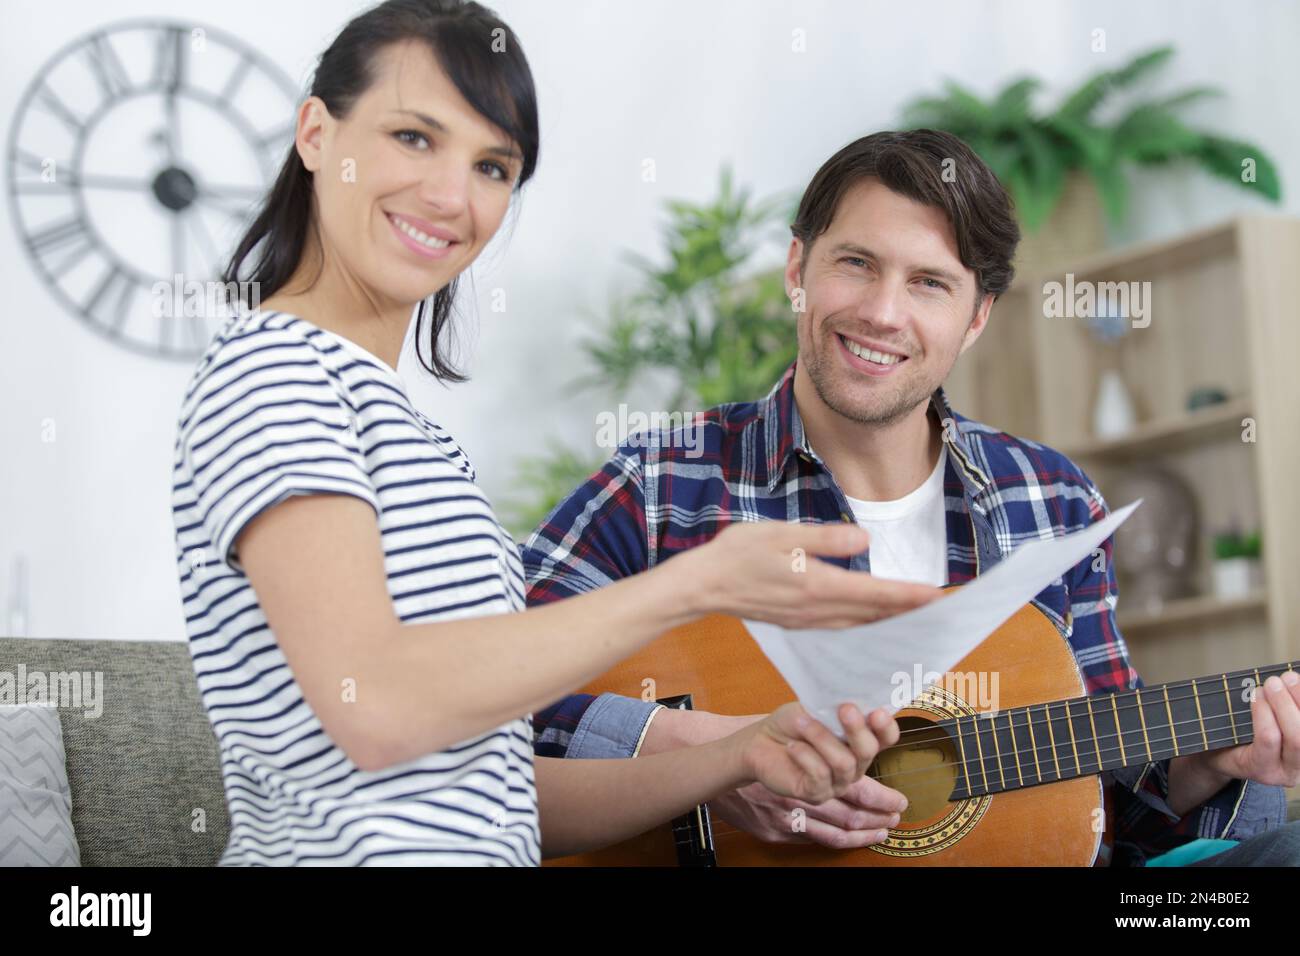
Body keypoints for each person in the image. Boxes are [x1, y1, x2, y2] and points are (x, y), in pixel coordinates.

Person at [169, 0, 940, 866]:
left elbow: (498, 802)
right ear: (316, 133)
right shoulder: (275, 370)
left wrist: (737, 757)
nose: (452, 195)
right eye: (414, 138)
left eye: (494, 166)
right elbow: (375, 706)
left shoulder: (410, 433)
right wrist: (694, 584)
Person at [522, 129, 1300, 866]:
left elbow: (1106, 805)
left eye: (930, 283)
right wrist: (709, 758)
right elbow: (480, 700)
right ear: (798, 270)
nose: (883, 312)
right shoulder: (665, 478)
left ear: (976, 318)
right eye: (856, 263)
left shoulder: (1053, 496)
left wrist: (1206, 766)